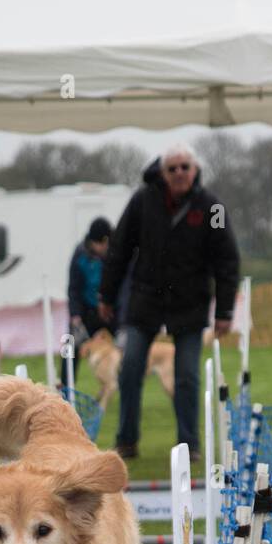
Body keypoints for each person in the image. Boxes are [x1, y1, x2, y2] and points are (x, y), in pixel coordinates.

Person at [98, 144, 240, 459]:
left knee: (187, 375)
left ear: (195, 170)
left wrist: (226, 310)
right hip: (145, 300)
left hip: (190, 303)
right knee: (130, 367)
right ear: (162, 173)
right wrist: (107, 295)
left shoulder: (211, 208)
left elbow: (226, 260)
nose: (179, 173)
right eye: (172, 168)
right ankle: (126, 441)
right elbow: (119, 248)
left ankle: (190, 444)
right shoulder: (142, 201)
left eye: (184, 167)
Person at [61, 216, 112, 388]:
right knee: (68, 342)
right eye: (103, 243)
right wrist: (75, 316)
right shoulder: (79, 255)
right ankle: (65, 388)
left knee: (127, 344)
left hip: (110, 311)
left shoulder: (114, 253)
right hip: (86, 312)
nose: (105, 247)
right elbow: (73, 289)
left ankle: (119, 384)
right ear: (94, 241)